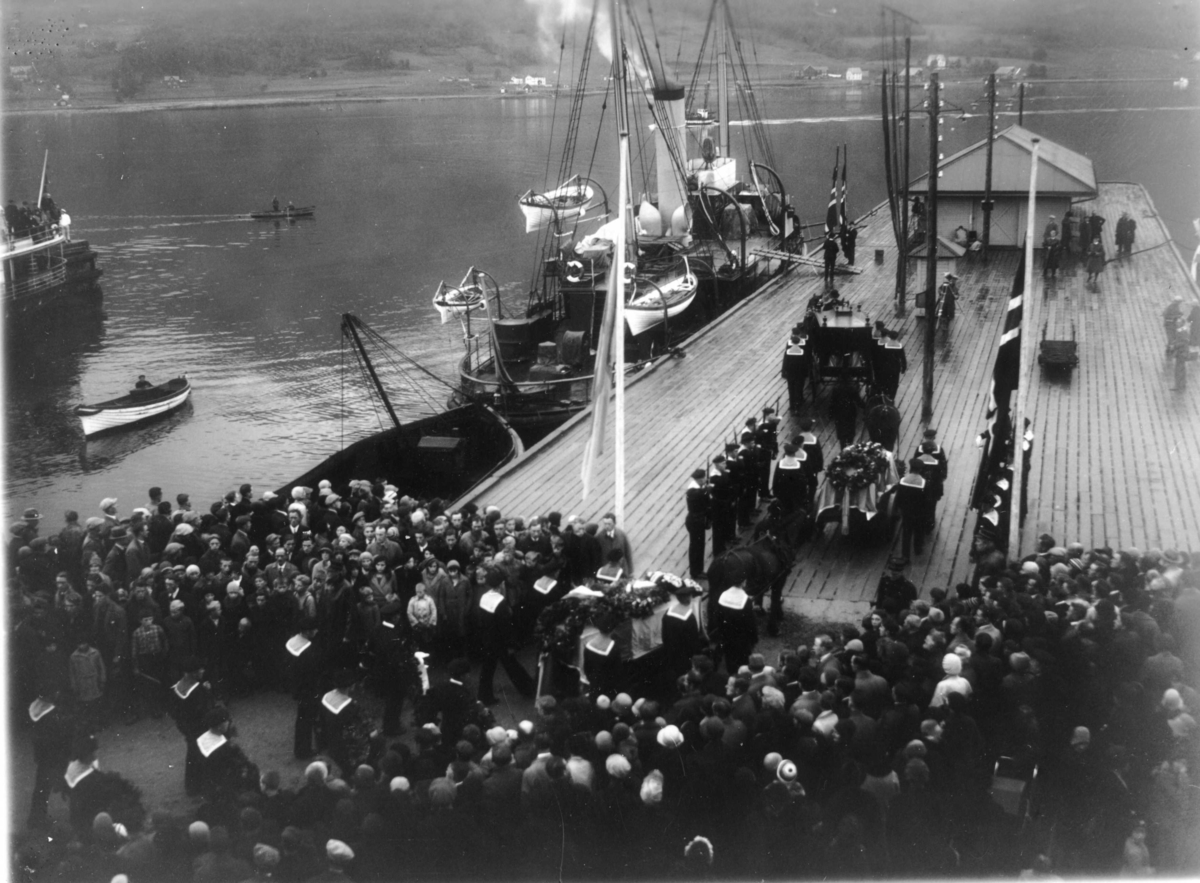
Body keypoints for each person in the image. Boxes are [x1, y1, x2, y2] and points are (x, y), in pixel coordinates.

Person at [684, 468, 710, 580]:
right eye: (703, 478)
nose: (705, 479)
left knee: (699, 545)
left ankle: (698, 569)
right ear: (699, 479)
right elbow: (700, 495)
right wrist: (707, 490)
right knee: (696, 546)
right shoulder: (693, 491)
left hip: (698, 519)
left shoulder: (698, 488)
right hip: (695, 520)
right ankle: (695, 571)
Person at [781, 332, 811, 410]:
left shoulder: (788, 352)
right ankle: (798, 405)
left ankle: (792, 405)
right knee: (799, 388)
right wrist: (806, 373)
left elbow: (785, 363)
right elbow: (804, 364)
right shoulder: (802, 352)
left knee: (791, 389)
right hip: (800, 374)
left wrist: (784, 373)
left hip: (790, 374)